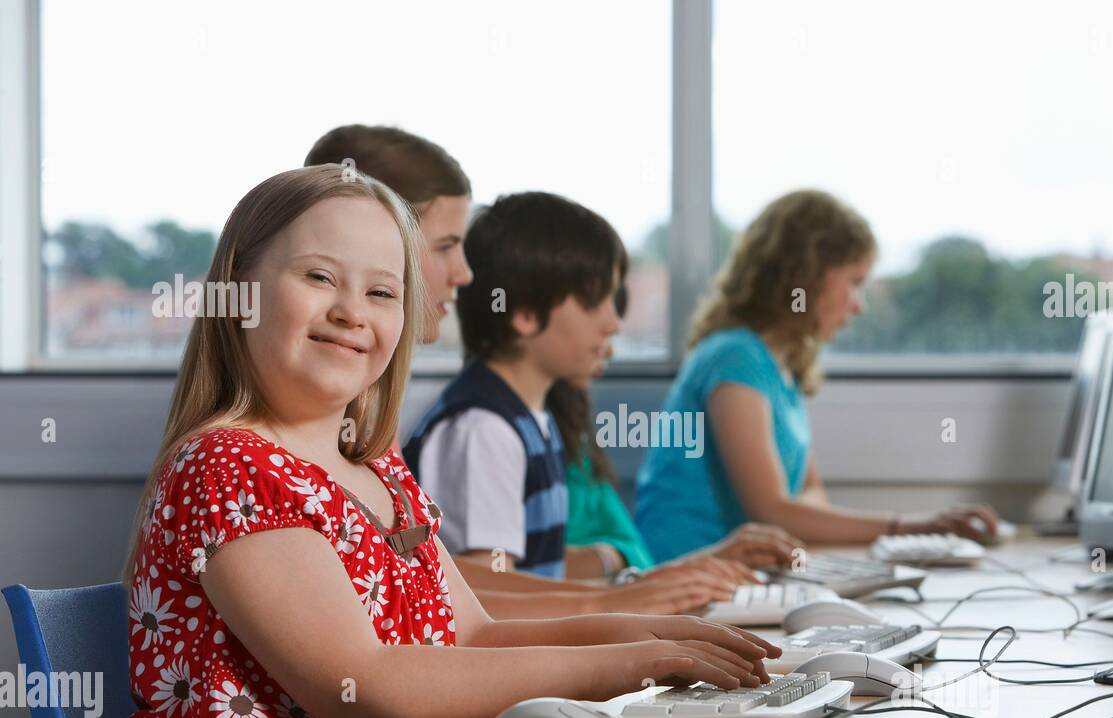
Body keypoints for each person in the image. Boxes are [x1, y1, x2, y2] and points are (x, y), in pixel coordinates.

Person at [119, 165, 776, 718]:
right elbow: (358, 682)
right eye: (317, 278)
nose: (351, 310)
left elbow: (473, 637)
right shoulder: (228, 465)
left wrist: (651, 635)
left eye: (381, 291)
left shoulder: (379, 469)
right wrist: (618, 668)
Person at [306, 125, 746, 615]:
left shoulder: (373, 427)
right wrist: (615, 604)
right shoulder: (476, 425)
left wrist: (627, 593)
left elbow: (435, 574)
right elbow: (460, 598)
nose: (465, 274)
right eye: (447, 245)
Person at [635, 189, 1001, 563]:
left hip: (741, 574)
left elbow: (809, 495)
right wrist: (914, 527)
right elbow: (773, 510)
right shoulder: (735, 357)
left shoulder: (780, 368)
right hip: (683, 573)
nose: (858, 305)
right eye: (854, 282)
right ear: (807, 276)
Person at [547, 288, 805, 576]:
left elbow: (636, 573)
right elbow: (523, 574)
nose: (613, 333)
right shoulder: (735, 357)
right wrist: (612, 558)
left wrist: (709, 562)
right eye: (593, 303)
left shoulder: (569, 429)